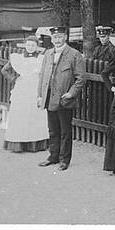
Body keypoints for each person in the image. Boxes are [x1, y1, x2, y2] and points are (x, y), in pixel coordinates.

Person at [36, 26, 87, 171]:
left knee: (65, 131)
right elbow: (42, 76)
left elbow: (81, 78)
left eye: (59, 37)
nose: (57, 40)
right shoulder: (48, 53)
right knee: (52, 130)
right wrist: (40, 95)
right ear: (51, 39)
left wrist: (71, 93)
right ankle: (53, 156)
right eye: (54, 37)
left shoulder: (74, 54)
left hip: (64, 98)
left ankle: (64, 160)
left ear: (65, 37)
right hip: (49, 97)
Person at [0, 35, 50, 153]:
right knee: (20, 114)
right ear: (25, 46)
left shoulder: (42, 58)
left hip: (36, 88)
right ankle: (18, 144)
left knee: (36, 115)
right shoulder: (18, 58)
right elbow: (4, 70)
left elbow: (46, 73)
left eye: (33, 45)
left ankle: (37, 143)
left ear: (37, 46)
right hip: (22, 88)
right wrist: (14, 79)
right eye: (28, 45)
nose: (31, 47)